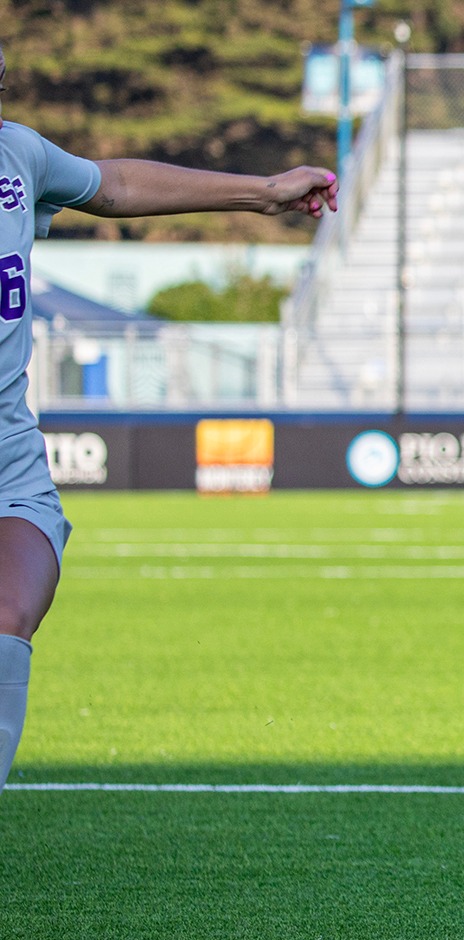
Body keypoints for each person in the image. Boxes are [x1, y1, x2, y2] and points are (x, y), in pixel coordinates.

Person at [0, 41, 337, 789]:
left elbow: (113, 185)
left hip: (7, 461)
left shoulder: (14, 154)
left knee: (8, 618)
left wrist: (263, 191)